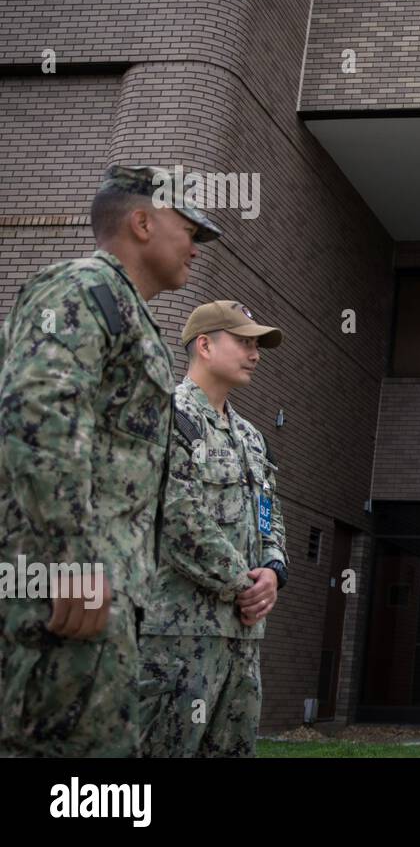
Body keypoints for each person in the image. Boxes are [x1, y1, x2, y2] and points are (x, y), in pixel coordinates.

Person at [0, 164, 220, 756]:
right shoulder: (79, 289)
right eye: (189, 230)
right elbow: (37, 419)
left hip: (103, 593)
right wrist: (73, 558)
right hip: (61, 588)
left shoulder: (130, 314)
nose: (195, 248)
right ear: (142, 222)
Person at [139, 301, 288, 757]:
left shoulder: (250, 436)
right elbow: (177, 517)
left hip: (241, 636)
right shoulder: (167, 416)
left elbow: (270, 510)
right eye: (243, 342)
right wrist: (244, 583)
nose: (255, 353)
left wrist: (274, 570)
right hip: (179, 636)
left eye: (257, 345)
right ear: (204, 345)